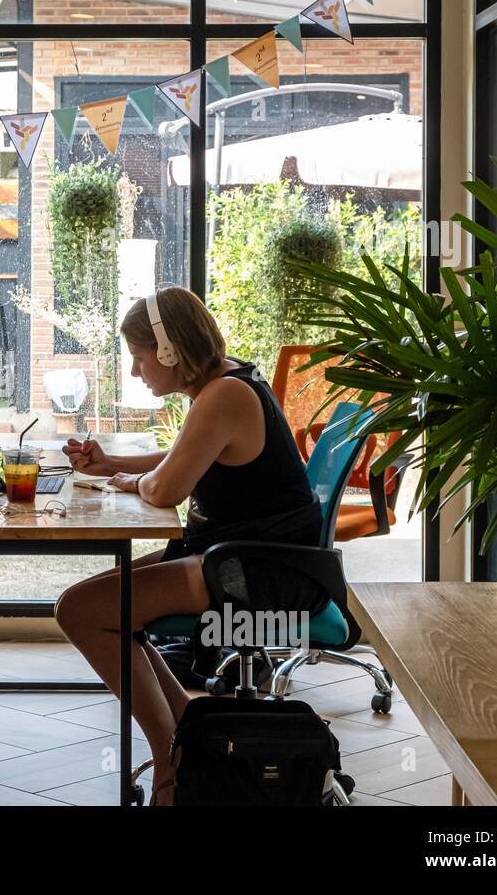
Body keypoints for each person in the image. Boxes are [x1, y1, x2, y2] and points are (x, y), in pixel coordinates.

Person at [54, 286, 324, 806]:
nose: (136, 372)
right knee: (96, 608)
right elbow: (182, 454)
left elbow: (167, 487)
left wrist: (134, 482)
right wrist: (114, 465)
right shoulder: (227, 382)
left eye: (138, 358)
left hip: (258, 569)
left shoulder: (225, 394)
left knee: (83, 611)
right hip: (240, 555)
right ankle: (188, 732)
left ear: (170, 351)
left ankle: (170, 763)